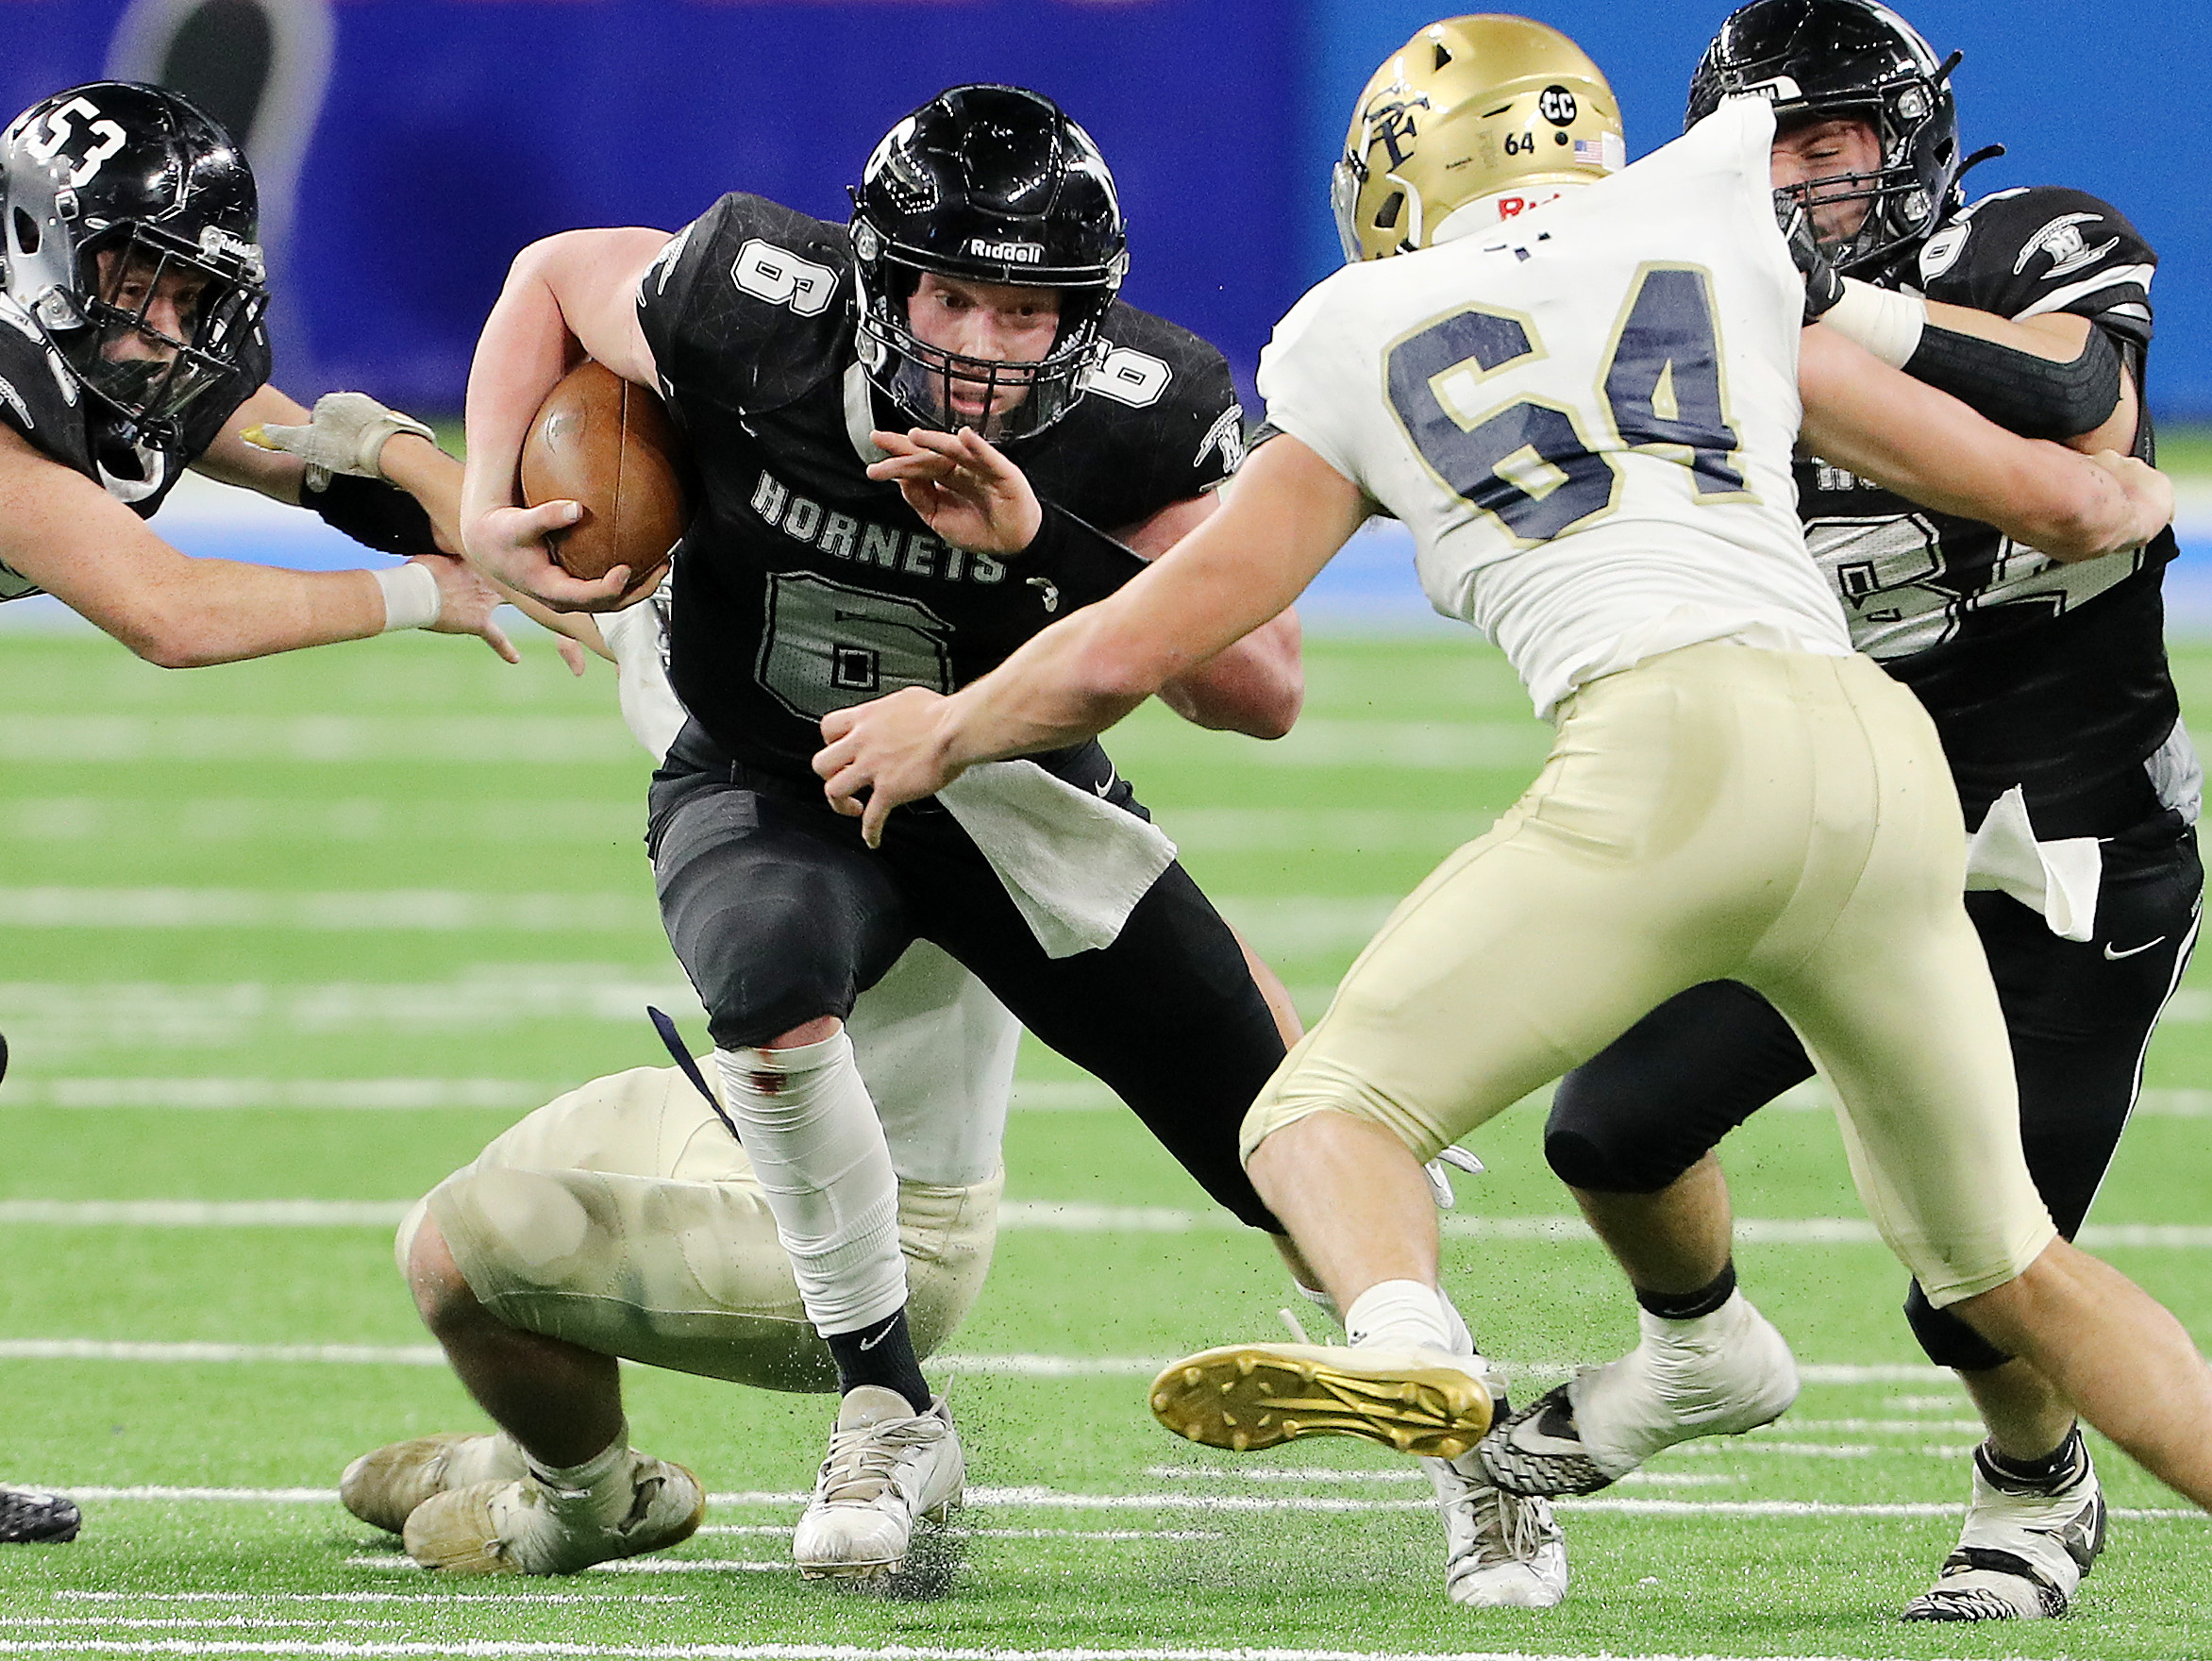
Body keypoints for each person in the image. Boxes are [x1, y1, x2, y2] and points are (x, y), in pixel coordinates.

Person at [808, 11, 2212, 1594]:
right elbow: (2054, 485)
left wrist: (951, 727)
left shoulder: (1359, 325)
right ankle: (1702, 1362)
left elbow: (1158, 635)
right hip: (1882, 763)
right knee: (2011, 1269)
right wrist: (2116, 495)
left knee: (1318, 1114)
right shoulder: (1710, 240)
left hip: (1674, 763)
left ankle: (1410, 1341)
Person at [439, 84, 1316, 1584]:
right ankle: (889, 1408)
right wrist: (473, 499)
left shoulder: (1146, 408)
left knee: (1271, 1126)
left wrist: (1049, 540)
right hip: (770, 772)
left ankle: (1459, 1414)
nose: (979, 342)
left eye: (1024, 310)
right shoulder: (752, 298)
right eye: (951, 295)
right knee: (764, 967)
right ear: (881, 277)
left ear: (1082, 322)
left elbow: (1261, 689)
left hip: (1000, 794)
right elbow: (551, 272)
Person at [1472, 0, 2196, 1624]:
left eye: (1830, 139)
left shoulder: (2033, 242)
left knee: (1981, 1286)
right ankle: (1698, 1352)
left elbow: (2085, 400)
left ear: (1910, 134)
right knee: (1612, 1129)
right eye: (1768, 143)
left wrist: (1837, 312)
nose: (1800, 176)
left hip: (2069, 849)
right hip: (1839, 824)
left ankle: (2034, 1484)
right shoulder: (1711, 323)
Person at [0, 81, 512, 1547]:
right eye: (134, 283)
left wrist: (457, 497)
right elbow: (164, 613)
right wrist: (422, 592)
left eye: (186, 292)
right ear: (38, 248)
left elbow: (287, 437)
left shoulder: (82, 346)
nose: (166, 328)